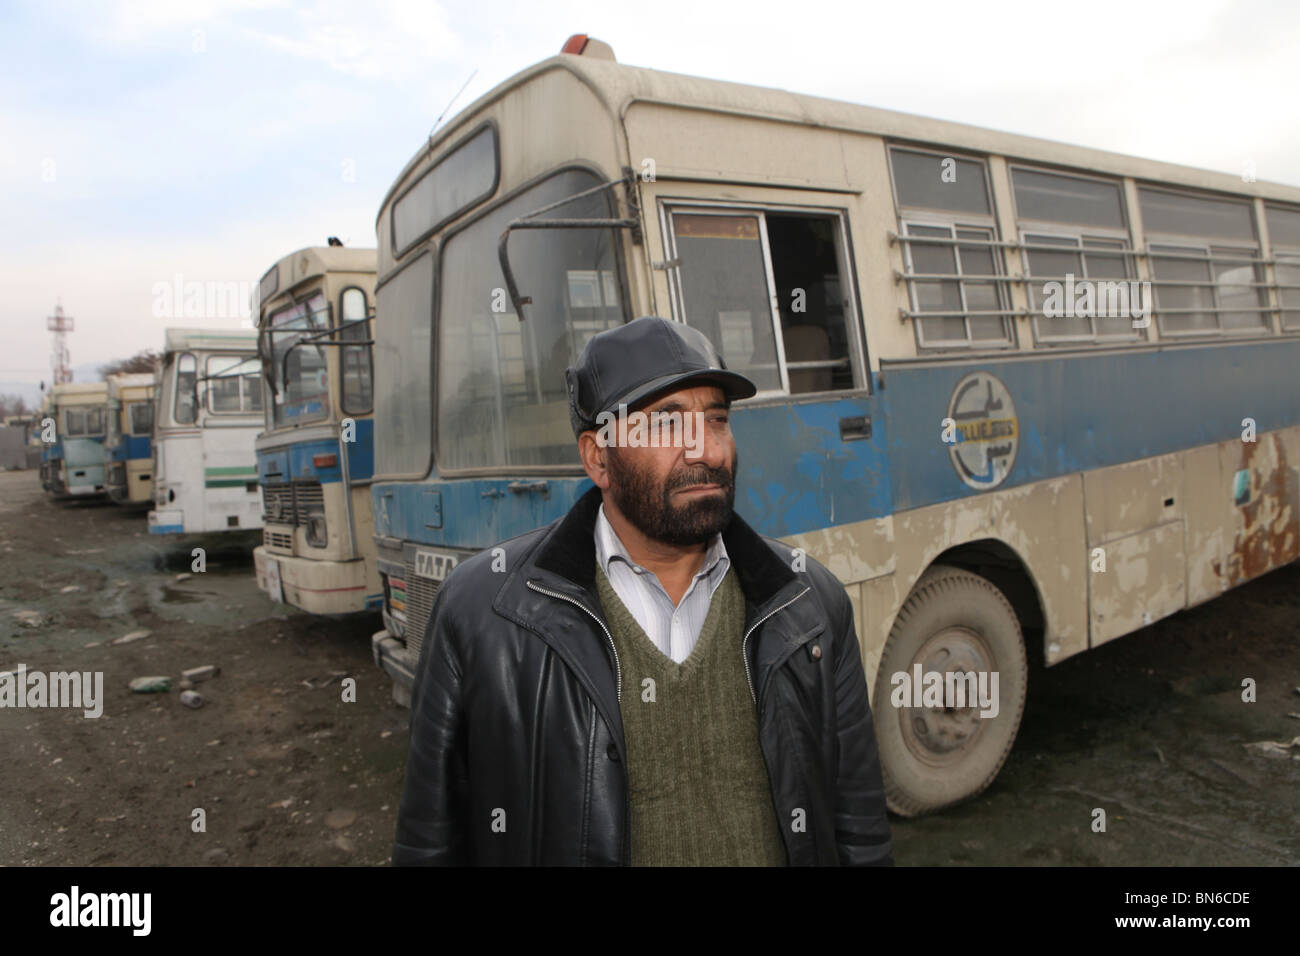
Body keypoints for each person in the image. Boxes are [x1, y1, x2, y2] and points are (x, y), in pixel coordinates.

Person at [392, 315, 893, 866]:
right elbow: (429, 843)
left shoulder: (810, 605)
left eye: (717, 420)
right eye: (666, 424)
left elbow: (860, 832)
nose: (707, 451)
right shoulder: (483, 616)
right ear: (598, 458)